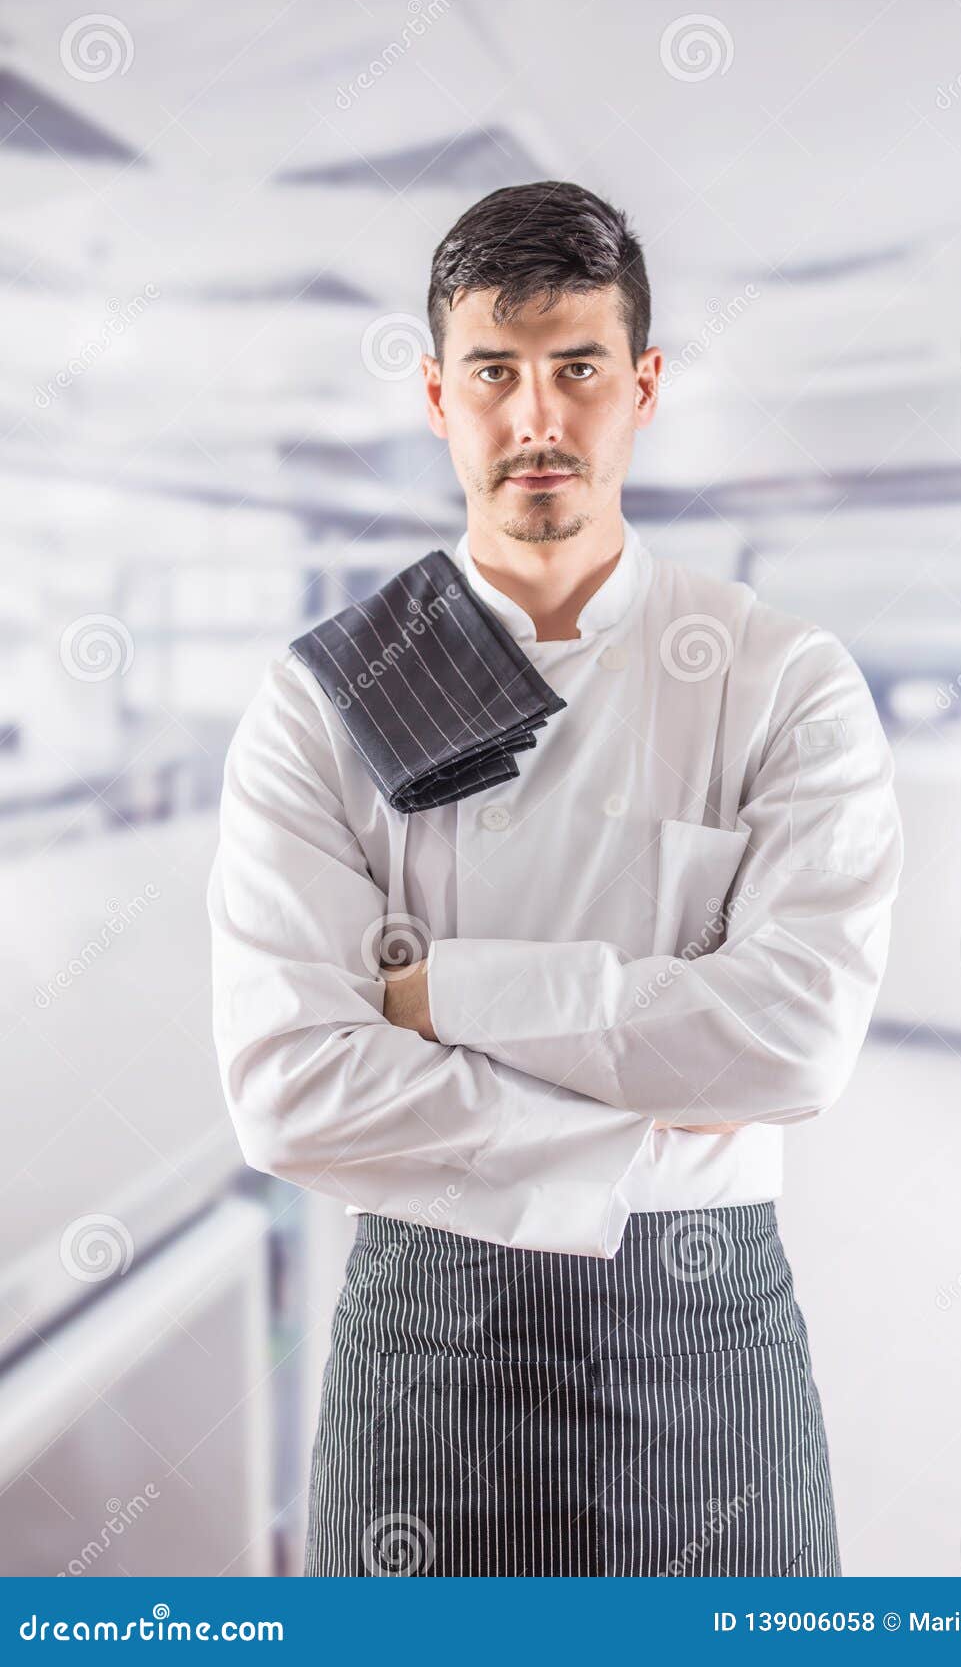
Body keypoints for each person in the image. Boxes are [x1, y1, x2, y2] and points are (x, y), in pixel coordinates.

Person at [206, 180, 903, 1578]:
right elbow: (288, 1084)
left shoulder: (779, 681)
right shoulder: (326, 700)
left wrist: (440, 987)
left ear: (642, 386)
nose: (537, 419)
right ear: (436, 395)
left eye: (579, 367)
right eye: (495, 373)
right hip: (427, 1358)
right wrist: (652, 1121)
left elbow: (791, 1038)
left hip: (710, 1354)